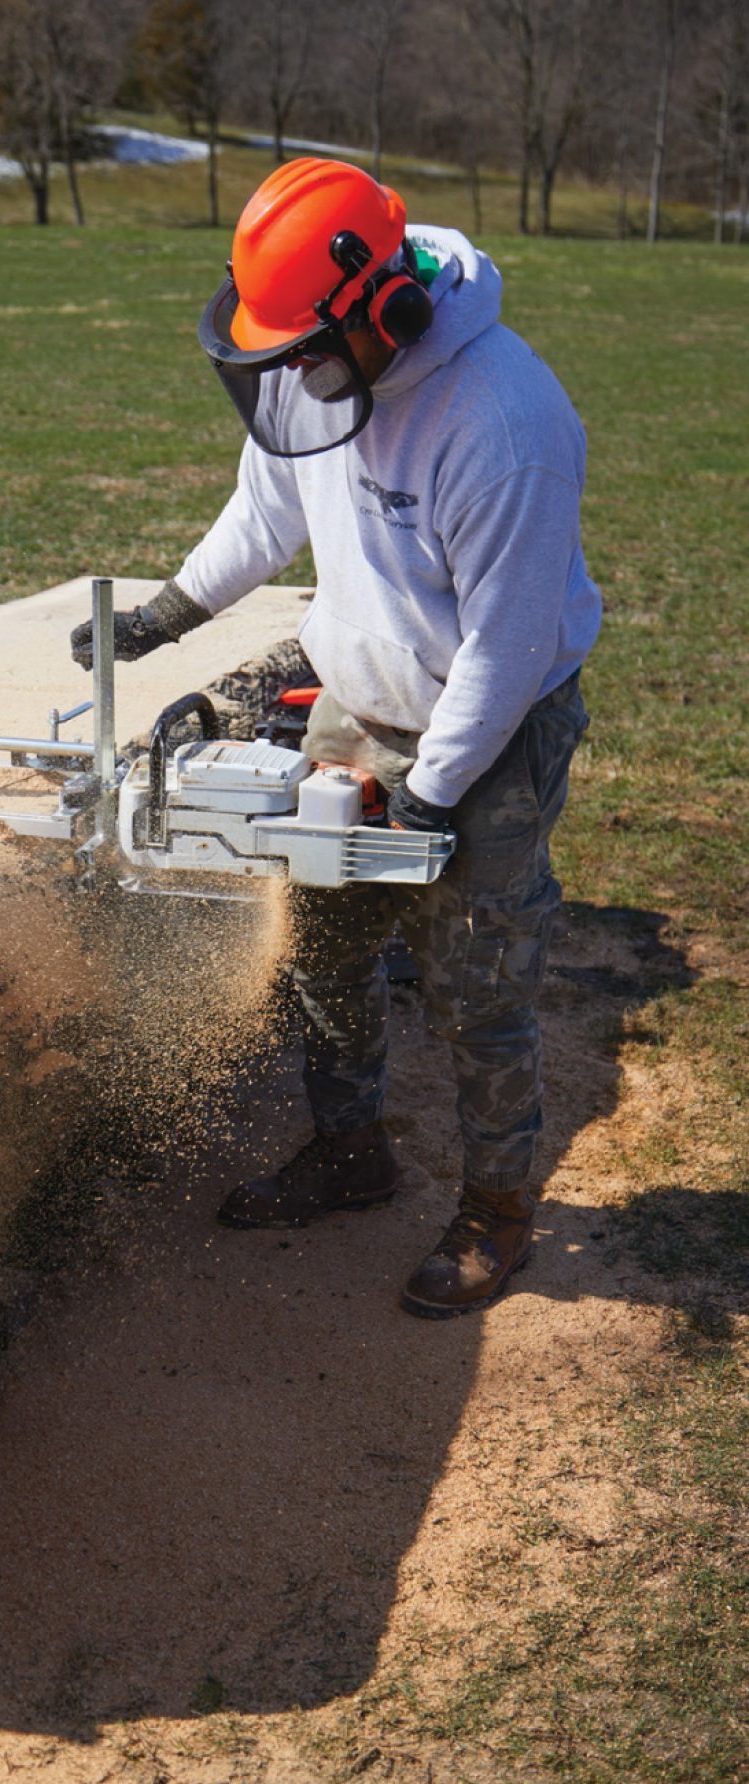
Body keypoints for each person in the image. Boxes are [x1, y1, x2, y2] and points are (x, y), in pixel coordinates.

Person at [70, 158, 599, 1319]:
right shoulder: (319, 363)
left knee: (476, 977)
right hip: (362, 703)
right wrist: (167, 613)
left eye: (307, 351)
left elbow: (506, 652)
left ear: (389, 313)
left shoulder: (501, 422)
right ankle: (349, 1151)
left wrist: (432, 793)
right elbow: (268, 507)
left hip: (490, 729)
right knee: (325, 942)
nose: (293, 375)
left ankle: (496, 1210)